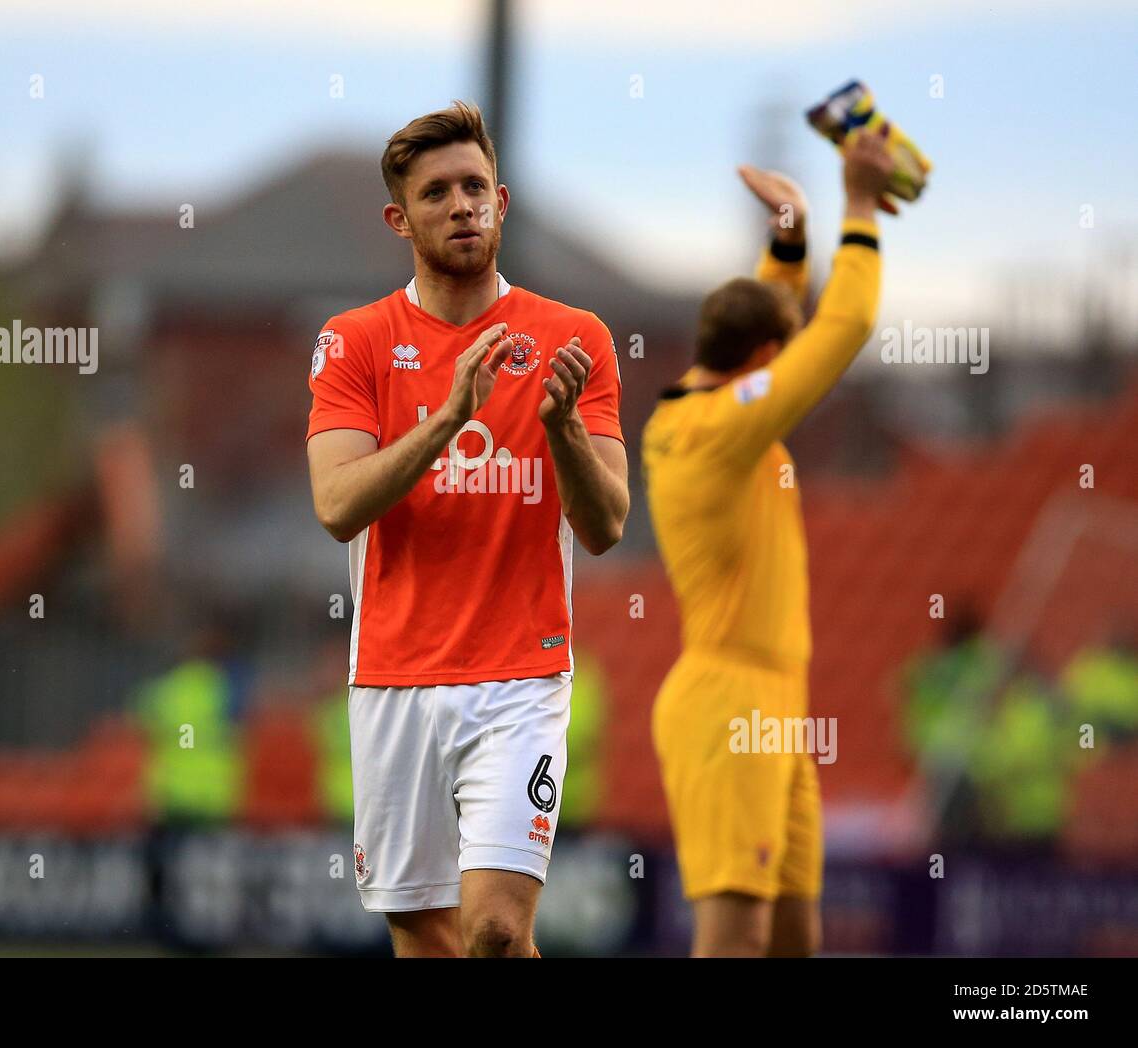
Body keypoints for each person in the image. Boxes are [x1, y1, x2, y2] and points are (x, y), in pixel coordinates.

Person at [304, 100, 628, 957]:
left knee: (491, 927)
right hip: (394, 679)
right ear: (398, 217)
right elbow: (338, 505)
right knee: (427, 937)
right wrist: (447, 420)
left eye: (476, 187)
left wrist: (560, 430)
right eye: (438, 191)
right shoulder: (355, 343)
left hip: (520, 676)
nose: (461, 205)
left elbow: (606, 526)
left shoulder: (574, 338)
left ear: (503, 201)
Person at [642, 127, 898, 957]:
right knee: (738, 937)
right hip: (730, 702)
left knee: (792, 937)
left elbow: (766, 324)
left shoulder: (695, 407)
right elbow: (847, 323)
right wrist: (857, 208)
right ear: (758, 362)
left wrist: (789, 235)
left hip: (769, 703)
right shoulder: (724, 430)